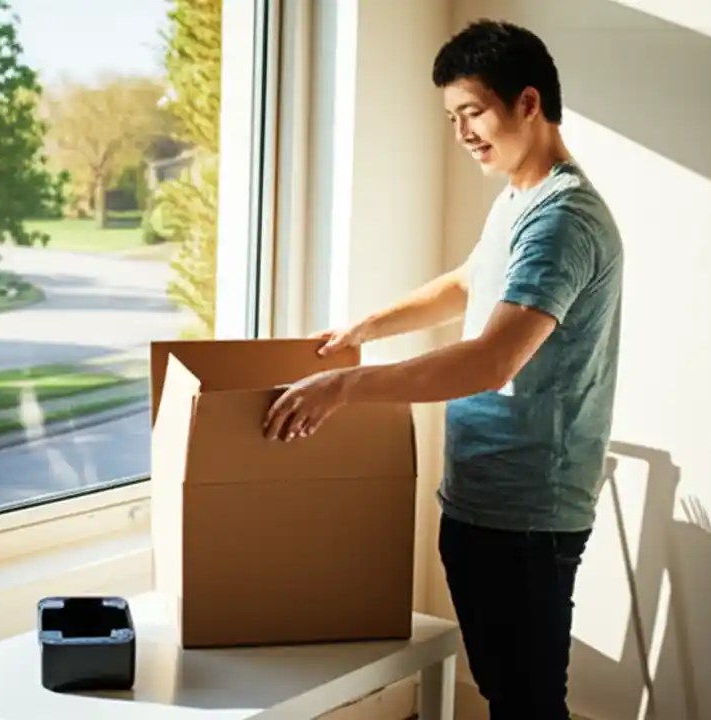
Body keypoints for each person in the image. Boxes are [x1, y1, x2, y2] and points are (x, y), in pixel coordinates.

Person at [262, 18, 624, 720]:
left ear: (527, 102)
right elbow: (469, 281)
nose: (461, 133)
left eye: (473, 112)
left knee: (526, 701)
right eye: (453, 117)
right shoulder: (519, 200)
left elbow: (492, 360)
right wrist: (368, 326)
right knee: (505, 689)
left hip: (527, 513)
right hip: (482, 494)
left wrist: (344, 387)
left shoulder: (563, 221)